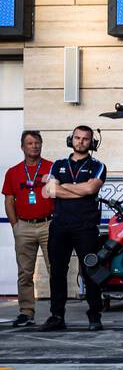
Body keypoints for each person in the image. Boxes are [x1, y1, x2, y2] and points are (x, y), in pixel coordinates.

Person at [40, 126, 106, 332]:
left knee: (90, 271)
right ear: (71, 139)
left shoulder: (98, 165)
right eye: (77, 138)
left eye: (85, 139)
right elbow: (48, 191)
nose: (81, 142)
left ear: (92, 143)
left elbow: (90, 188)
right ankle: (56, 315)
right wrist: (78, 189)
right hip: (60, 226)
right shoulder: (58, 164)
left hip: (85, 227)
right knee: (57, 271)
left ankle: (95, 315)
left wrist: (62, 187)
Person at [3, 130, 54, 328]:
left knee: (55, 270)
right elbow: (9, 200)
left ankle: (57, 312)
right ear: (22, 147)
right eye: (30, 143)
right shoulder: (13, 172)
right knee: (25, 272)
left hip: (49, 225)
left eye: (37, 143)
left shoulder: (51, 168)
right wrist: (15, 225)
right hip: (23, 226)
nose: (34, 146)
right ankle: (26, 312)